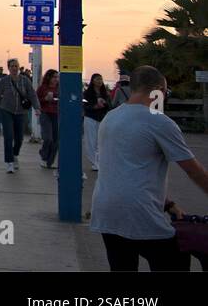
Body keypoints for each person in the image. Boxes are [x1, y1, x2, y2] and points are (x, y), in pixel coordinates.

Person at [90, 65, 208, 271]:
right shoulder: (159, 121)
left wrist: (168, 203)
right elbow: (193, 170)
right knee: (176, 261)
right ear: (158, 90)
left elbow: (125, 170)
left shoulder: (111, 117)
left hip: (106, 213)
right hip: (140, 214)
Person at [0, 58, 39, 173]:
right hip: (6, 111)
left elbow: (32, 94)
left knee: (19, 138)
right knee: (8, 137)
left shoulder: (25, 80)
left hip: (21, 112)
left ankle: (14, 154)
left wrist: (37, 107)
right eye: (12, 66)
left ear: (19, 67)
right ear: (8, 68)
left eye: (16, 66)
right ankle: (9, 163)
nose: (14, 68)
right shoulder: (4, 81)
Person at [83, 72, 110, 172]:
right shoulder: (87, 93)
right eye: (97, 79)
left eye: (101, 79)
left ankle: (99, 161)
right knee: (91, 140)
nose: (99, 81)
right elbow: (85, 105)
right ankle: (94, 162)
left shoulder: (105, 93)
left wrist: (104, 103)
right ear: (93, 80)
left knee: (101, 141)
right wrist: (94, 106)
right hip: (90, 117)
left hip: (102, 118)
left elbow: (110, 106)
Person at [37, 69, 60, 168]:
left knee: (56, 140)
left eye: (57, 77)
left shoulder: (60, 88)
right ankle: (44, 155)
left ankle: (50, 161)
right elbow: (36, 99)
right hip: (45, 113)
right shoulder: (43, 88)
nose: (56, 79)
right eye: (54, 77)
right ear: (49, 77)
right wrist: (45, 99)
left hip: (56, 114)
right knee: (48, 138)